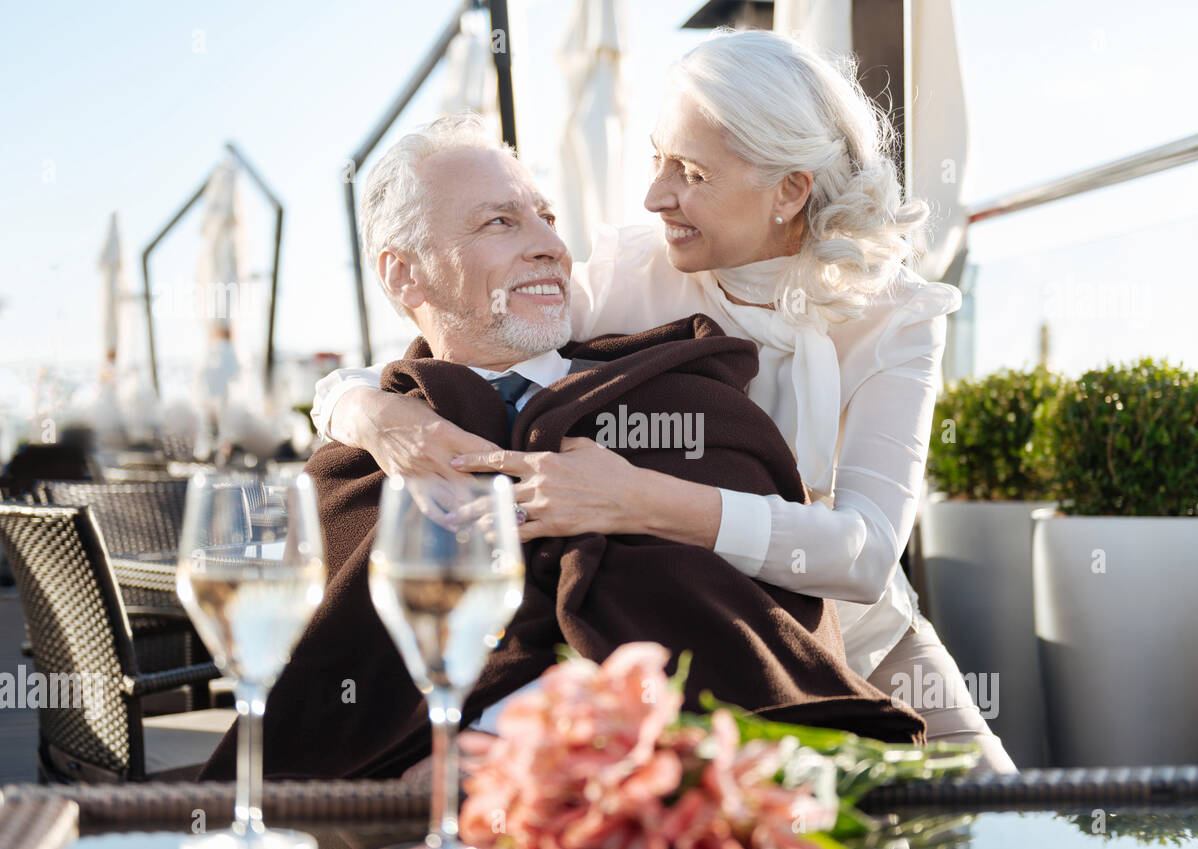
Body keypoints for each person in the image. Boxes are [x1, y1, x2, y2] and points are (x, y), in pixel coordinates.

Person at [313, 30, 1015, 772]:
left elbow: (868, 553)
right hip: (713, 643)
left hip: (866, 639)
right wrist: (371, 413)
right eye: (656, 158)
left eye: (691, 173)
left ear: (790, 190)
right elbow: (476, 336)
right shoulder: (633, 269)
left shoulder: (899, 314)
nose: (655, 196)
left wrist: (638, 498)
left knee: (998, 823)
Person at [199, 113, 927, 782]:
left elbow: (764, 641)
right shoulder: (360, 462)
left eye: (547, 217)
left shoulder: (688, 409)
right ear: (402, 273)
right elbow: (322, 717)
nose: (550, 243)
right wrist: (360, 407)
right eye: (501, 221)